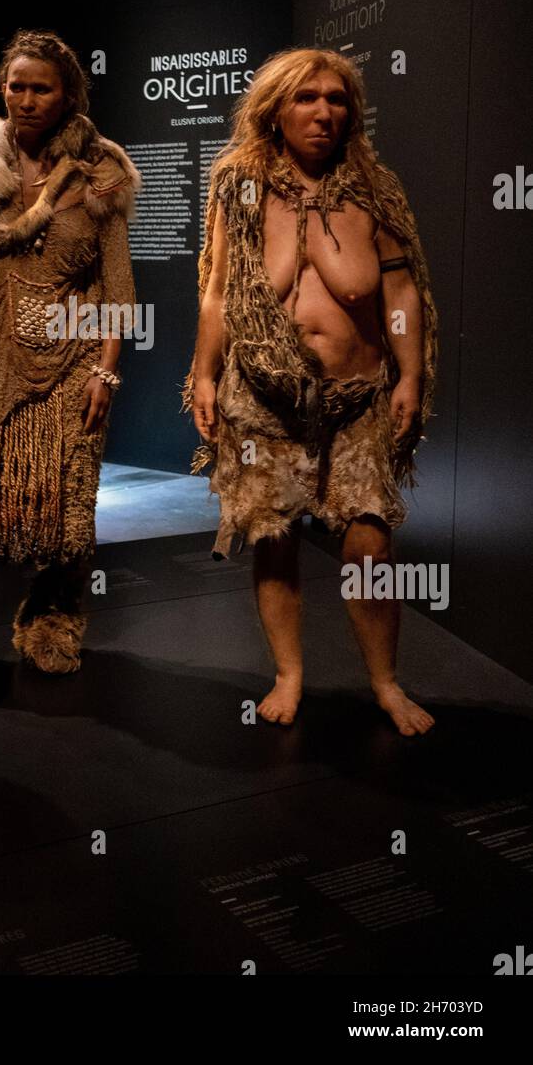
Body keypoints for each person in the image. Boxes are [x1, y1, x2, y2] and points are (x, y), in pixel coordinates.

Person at [185, 47, 438, 736]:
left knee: (370, 547)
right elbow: (217, 290)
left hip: (356, 397)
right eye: (307, 98)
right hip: (263, 399)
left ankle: (385, 682)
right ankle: (288, 674)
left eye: (336, 98)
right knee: (273, 536)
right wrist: (203, 373)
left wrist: (411, 372)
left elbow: (398, 290)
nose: (324, 111)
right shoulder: (238, 183)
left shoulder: (373, 189)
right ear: (274, 109)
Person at [0, 29, 139, 676]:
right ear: (2, 89)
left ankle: (52, 621)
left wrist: (106, 370)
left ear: (68, 93)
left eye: (42, 87)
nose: (27, 99)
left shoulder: (100, 173)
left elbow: (117, 287)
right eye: (17, 86)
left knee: (68, 514)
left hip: (72, 364)